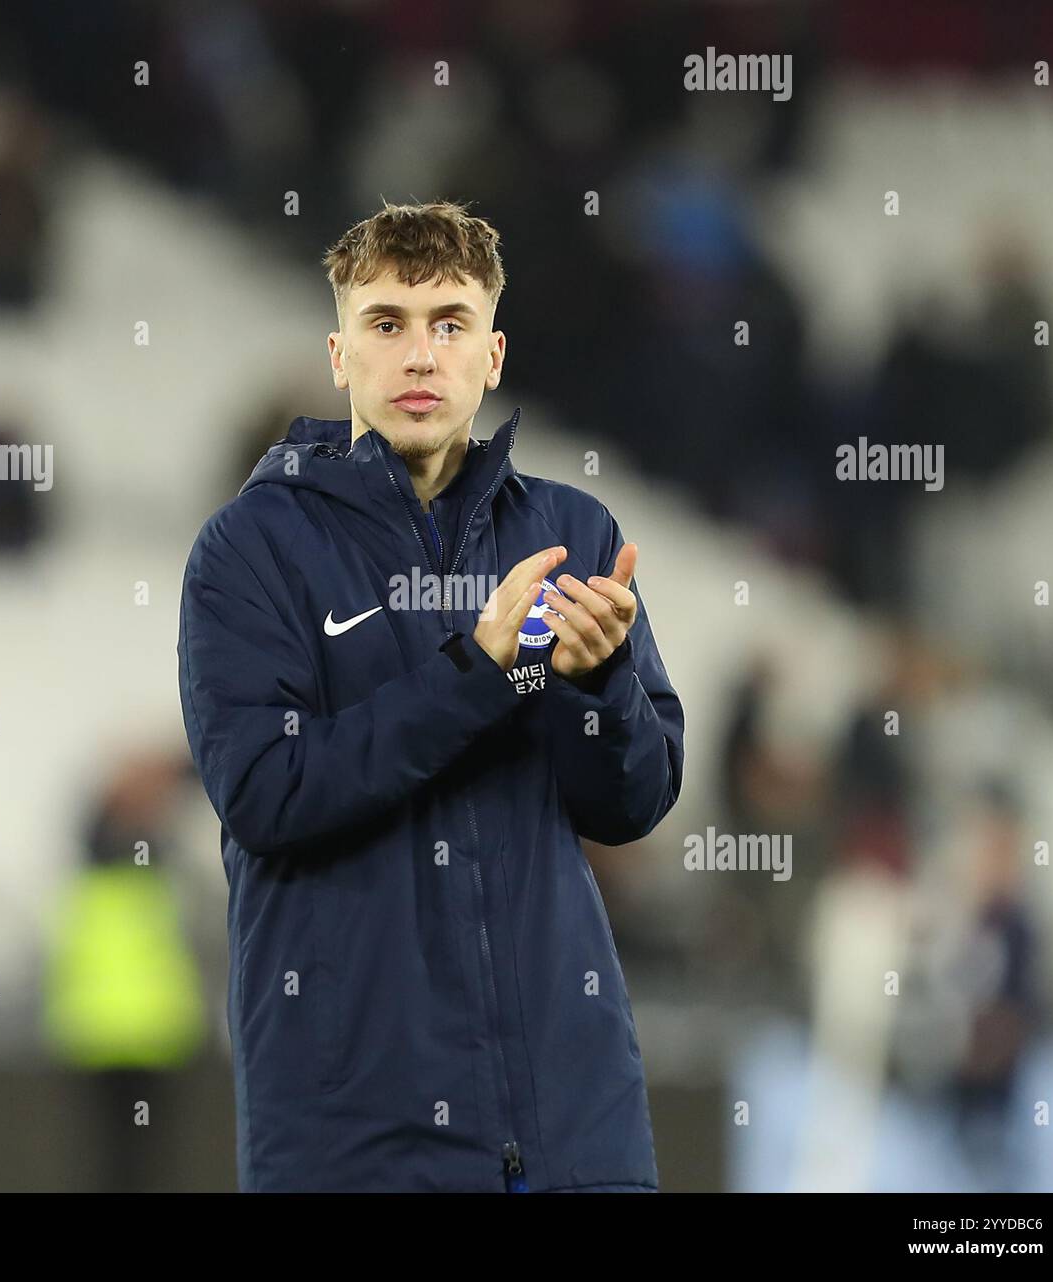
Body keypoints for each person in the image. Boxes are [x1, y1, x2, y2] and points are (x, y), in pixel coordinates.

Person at [177, 199, 684, 1192]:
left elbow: (632, 802)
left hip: (575, 1132)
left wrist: (599, 685)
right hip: (354, 1144)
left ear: (492, 357)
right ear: (340, 356)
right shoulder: (251, 549)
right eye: (388, 323)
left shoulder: (573, 533)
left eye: (450, 324)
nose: (420, 355)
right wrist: (478, 674)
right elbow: (268, 794)